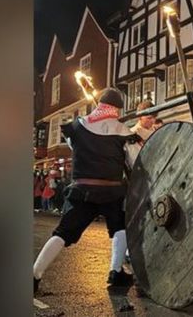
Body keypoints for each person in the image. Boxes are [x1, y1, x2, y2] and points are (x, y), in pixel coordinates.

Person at [33, 88, 141, 294]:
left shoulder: (77, 126)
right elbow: (135, 161)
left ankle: (34, 275)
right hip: (112, 192)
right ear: (117, 109)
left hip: (82, 191)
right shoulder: (123, 131)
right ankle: (115, 271)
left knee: (62, 233)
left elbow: (75, 148)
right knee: (120, 228)